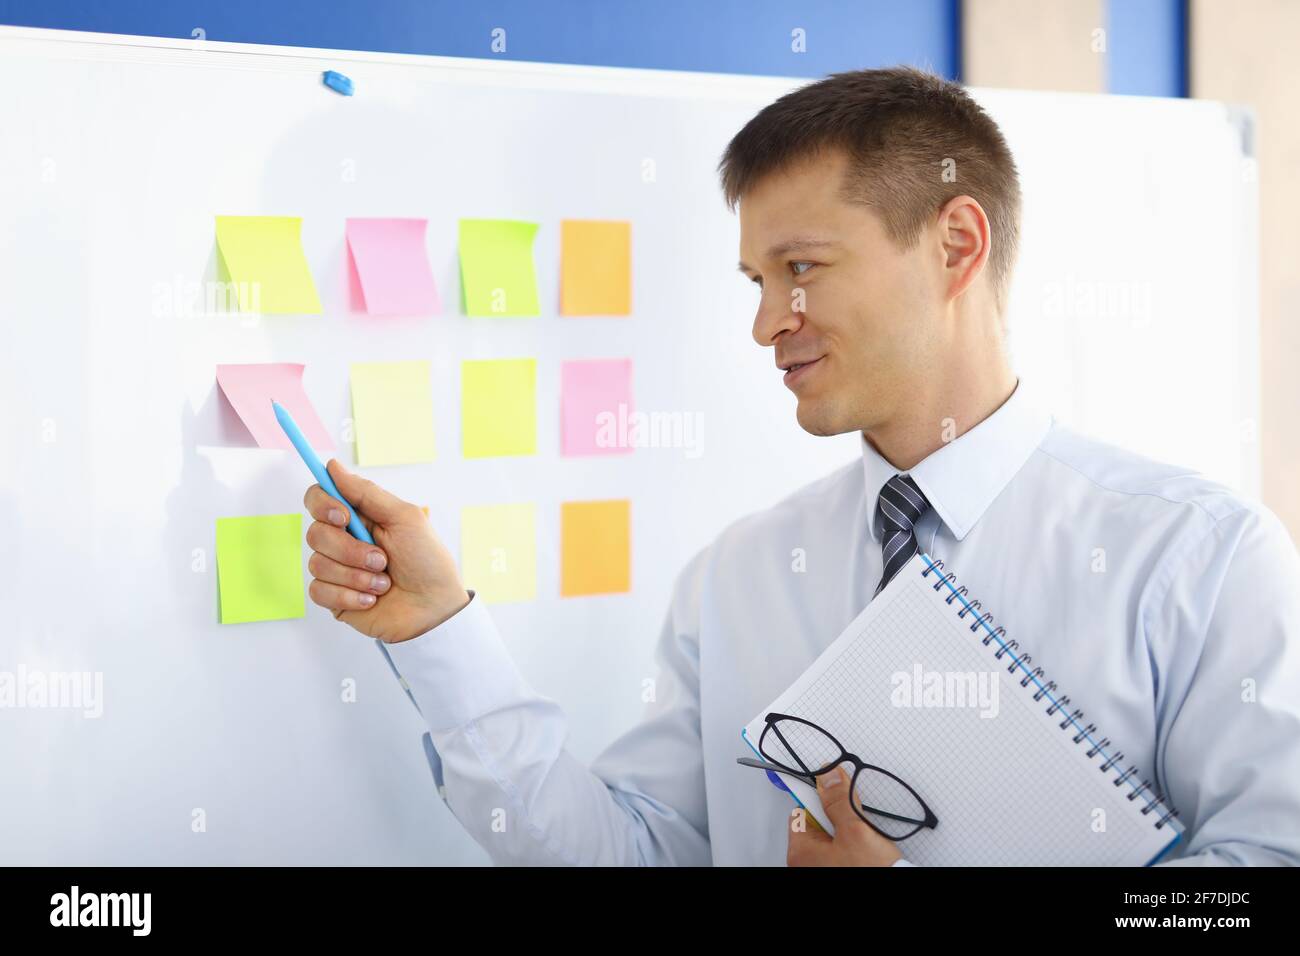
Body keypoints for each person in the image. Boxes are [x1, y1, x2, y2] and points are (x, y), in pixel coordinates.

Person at [299, 67, 1300, 866]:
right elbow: (633, 854)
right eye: (756, 278)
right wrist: (440, 632)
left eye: (802, 267)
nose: (767, 321)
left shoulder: (1200, 559)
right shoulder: (735, 578)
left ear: (954, 244)